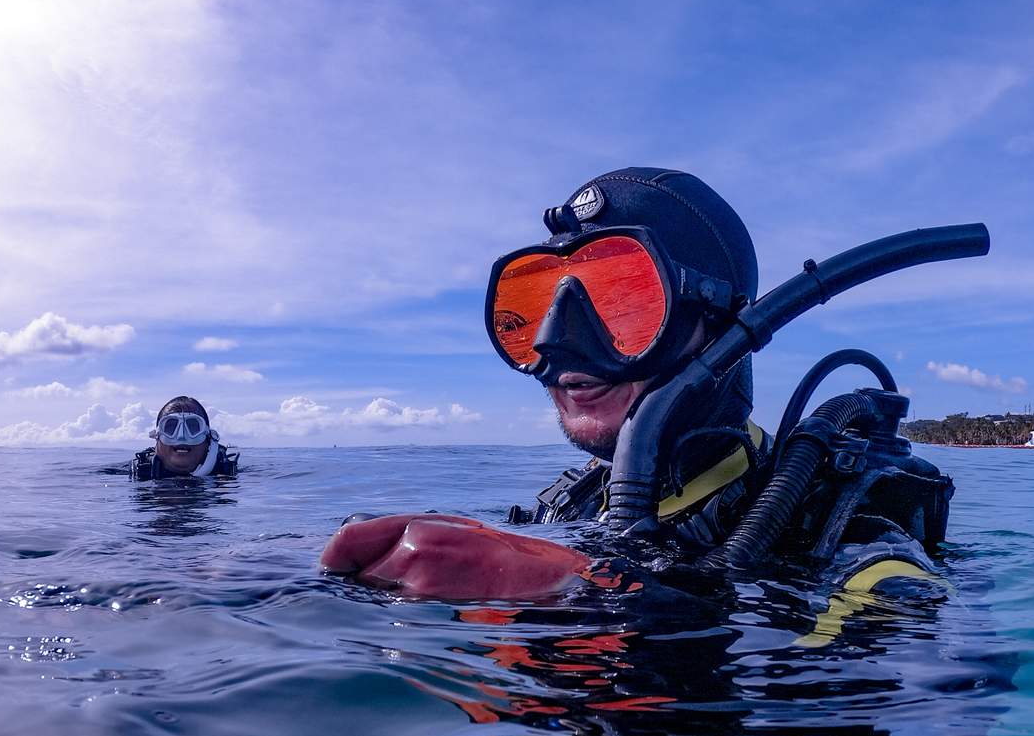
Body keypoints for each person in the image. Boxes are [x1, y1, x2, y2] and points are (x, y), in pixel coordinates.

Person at [322, 167, 962, 599]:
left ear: (723, 326)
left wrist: (594, 591)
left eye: (621, 305)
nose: (554, 341)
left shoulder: (848, 540)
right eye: (538, 303)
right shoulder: (571, 505)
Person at [129, 396, 240, 481]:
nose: (181, 435)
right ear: (156, 436)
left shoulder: (228, 477)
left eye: (193, 427)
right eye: (171, 427)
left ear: (209, 438)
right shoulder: (133, 473)